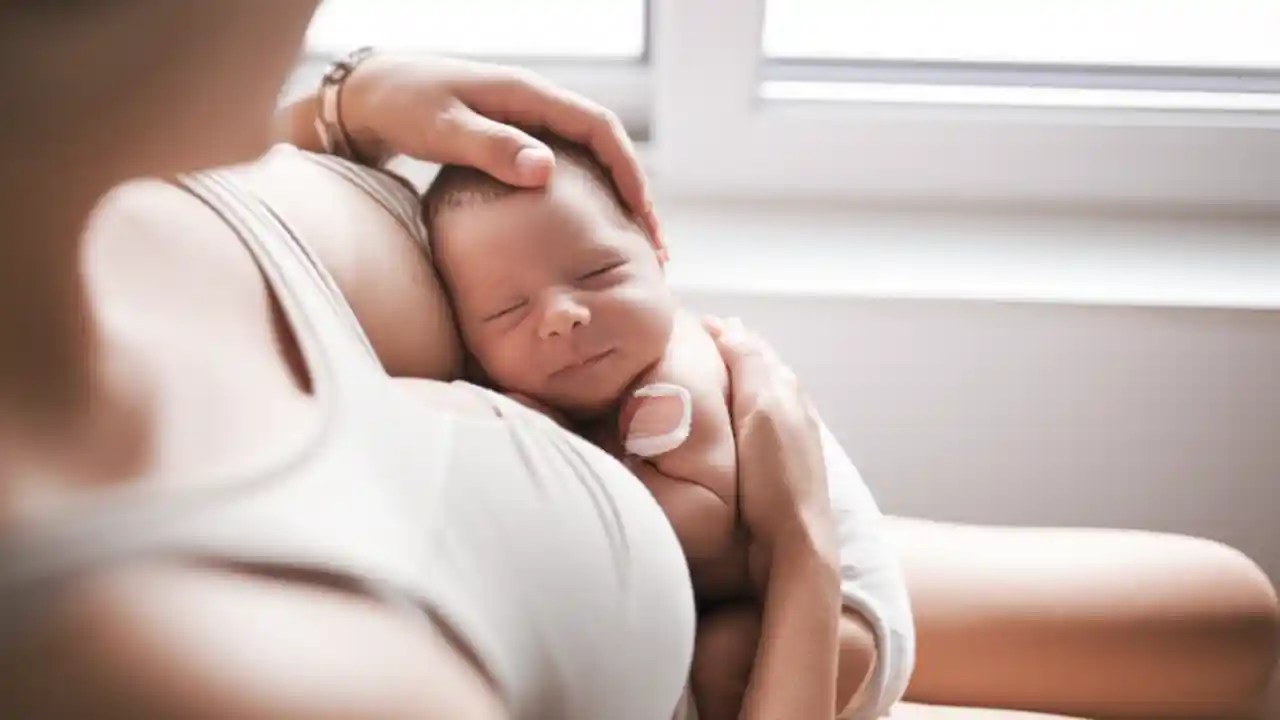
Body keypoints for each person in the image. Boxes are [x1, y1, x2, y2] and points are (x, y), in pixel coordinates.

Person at [0, 3, 1275, 718]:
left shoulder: (110, 193)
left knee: (1235, 619)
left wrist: (344, 107)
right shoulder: (230, 670)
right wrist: (795, 550)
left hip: (728, 523)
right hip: (756, 626)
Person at [421, 136, 913, 719]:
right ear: (469, 347)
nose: (561, 316)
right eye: (508, 312)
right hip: (752, 593)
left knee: (726, 661)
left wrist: (569, 454)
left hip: (845, 620)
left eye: (598, 272)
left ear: (656, 251)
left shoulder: (679, 376)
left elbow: (703, 524)